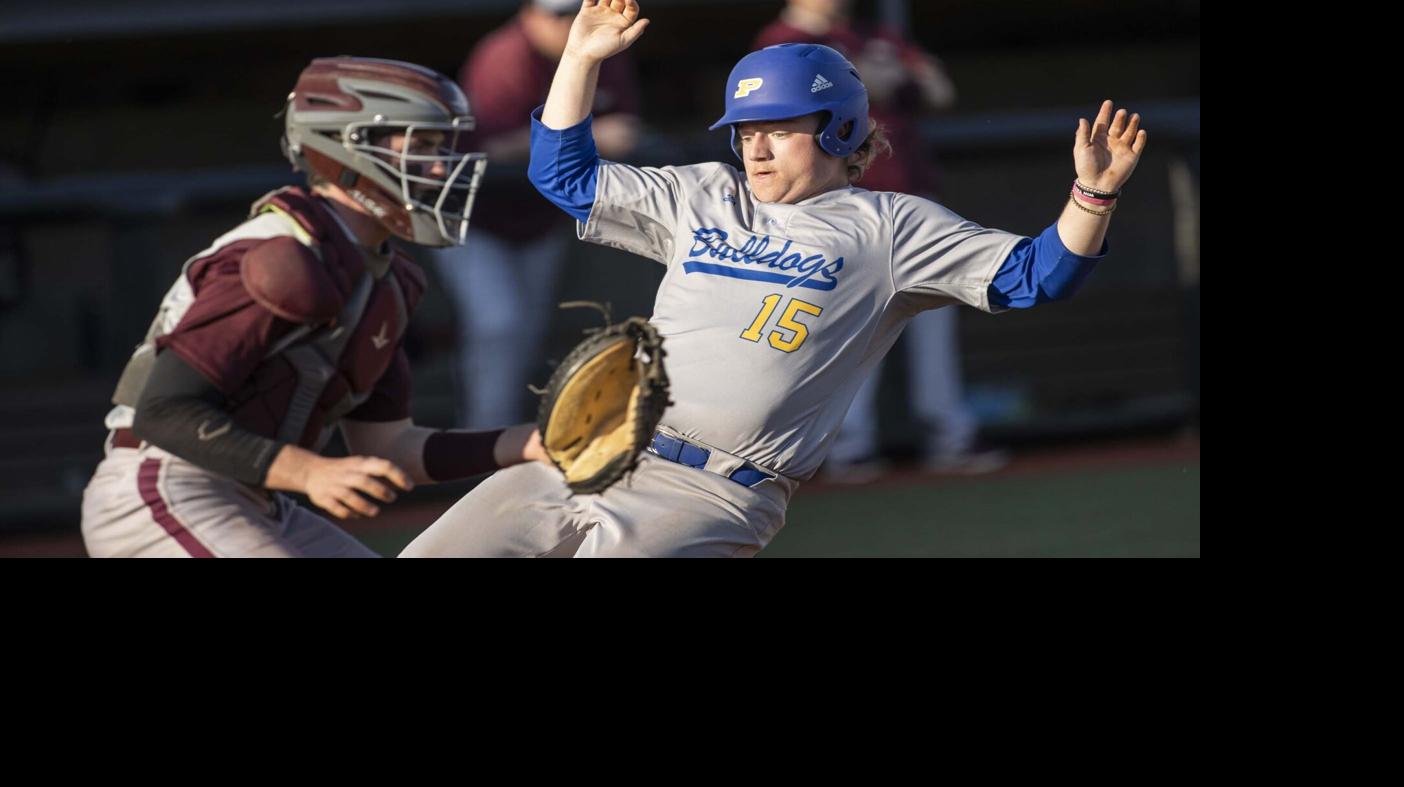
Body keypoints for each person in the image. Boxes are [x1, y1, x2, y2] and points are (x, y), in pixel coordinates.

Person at [400, 0, 1145, 558]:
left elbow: (1039, 277)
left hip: (714, 494)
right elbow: (559, 174)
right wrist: (582, 57)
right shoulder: (702, 192)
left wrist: (1093, 196)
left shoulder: (889, 228)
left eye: (778, 129)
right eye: (746, 132)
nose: (754, 148)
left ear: (840, 131)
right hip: (593, 449)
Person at [80, 57, 548, 558]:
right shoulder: (281, 256)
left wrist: (533, 442)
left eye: (441, 148)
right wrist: (309, 471)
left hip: (255, 496)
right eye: (422, 146)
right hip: (164, 486)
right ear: (349, 147)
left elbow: (390, 448)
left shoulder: (384, 279)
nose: (439, 166)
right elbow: (162, 411)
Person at [755, 0, 999, 480]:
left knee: (937, 315)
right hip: (844, 206)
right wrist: (877, 80)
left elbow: (938, 87)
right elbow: (869, 89)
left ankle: (949, 435)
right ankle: (846, 446)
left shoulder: (871, 35)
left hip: (910, 202)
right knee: (850, 327)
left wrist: (883, 78)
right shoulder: (780, 40)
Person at [430, 0, 644, 428]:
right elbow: (495, 149)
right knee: (499, 325)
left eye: (572, 12)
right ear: (529, 14)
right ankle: (482, 442)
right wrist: (593, 135)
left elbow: (629, 124)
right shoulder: (506, 56)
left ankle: (504, 440)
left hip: (537, 222)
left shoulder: (598, 46)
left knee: (524, 334)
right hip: (474, 218)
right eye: (556, 14)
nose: (566, 23)